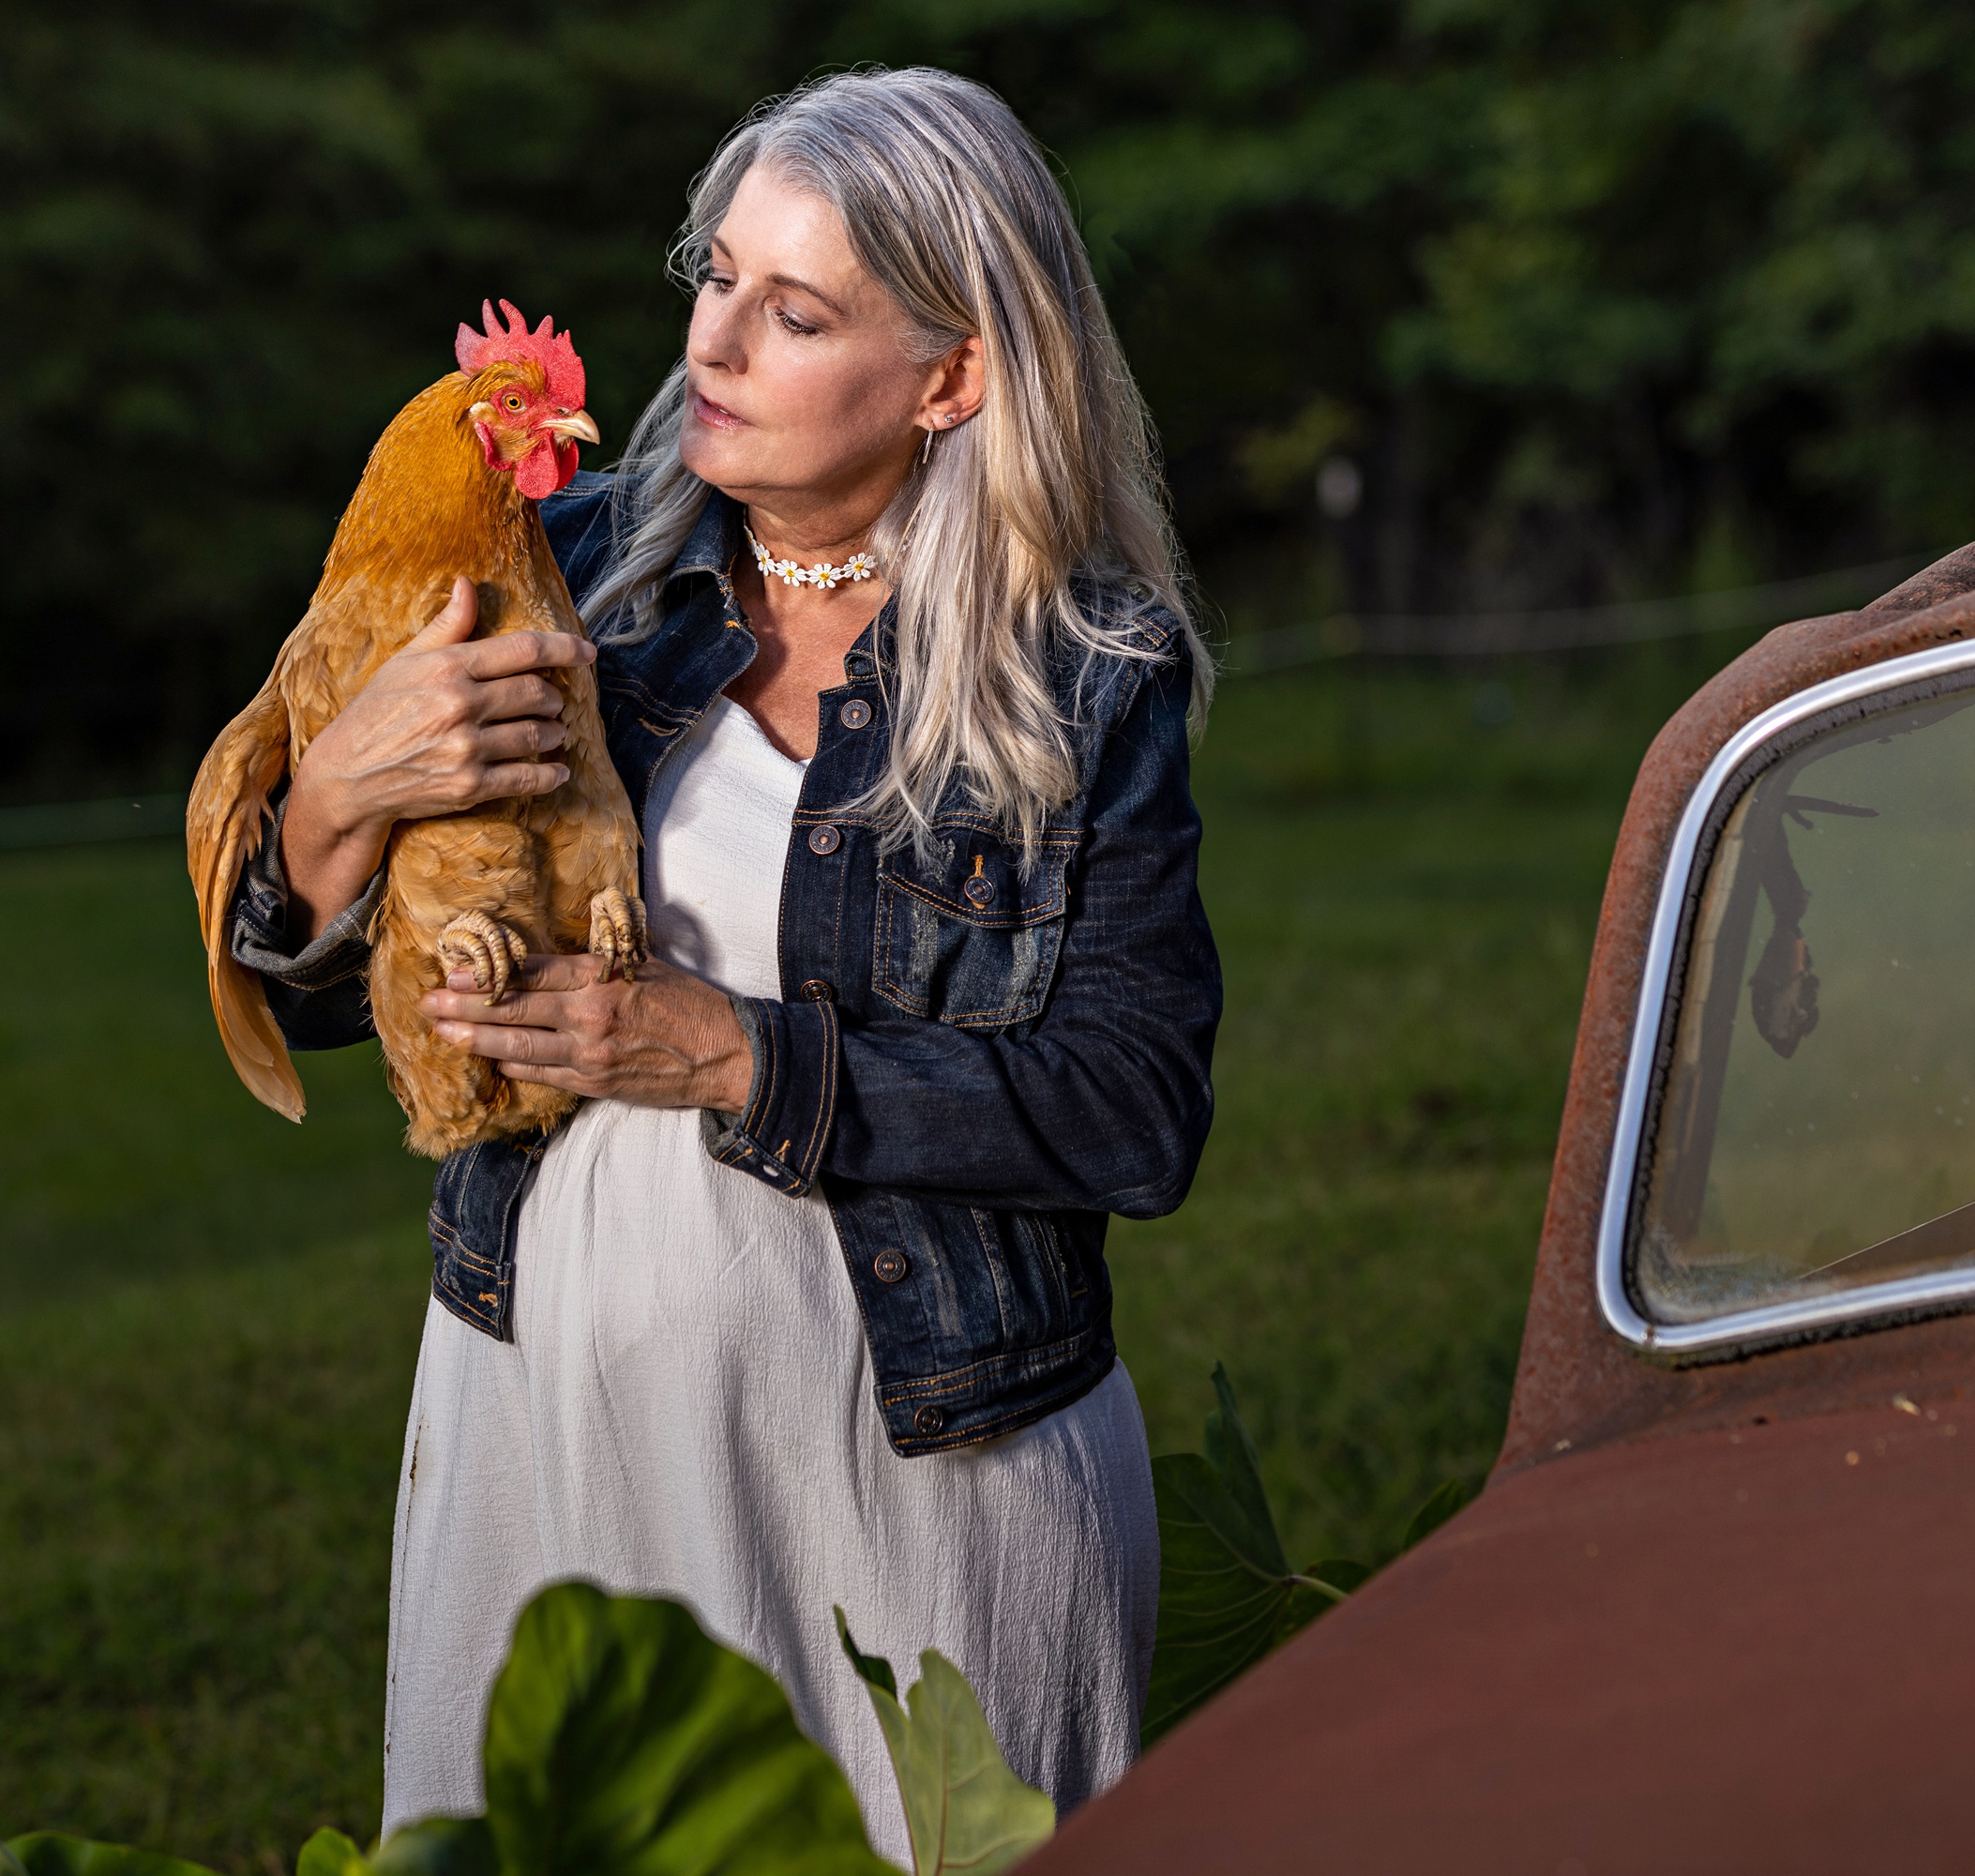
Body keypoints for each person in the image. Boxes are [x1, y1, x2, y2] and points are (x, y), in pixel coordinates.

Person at [226, 66, 1219, 1855]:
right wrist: (338, 802)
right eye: (715, 276)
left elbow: (1136, 1114)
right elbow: (299, 969)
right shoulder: (566, 562)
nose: (716, 343)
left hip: (922, 1462)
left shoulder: (1078, 666)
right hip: (545, 1419)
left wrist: (733, 1056)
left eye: (798, 308)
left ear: (955, 377)